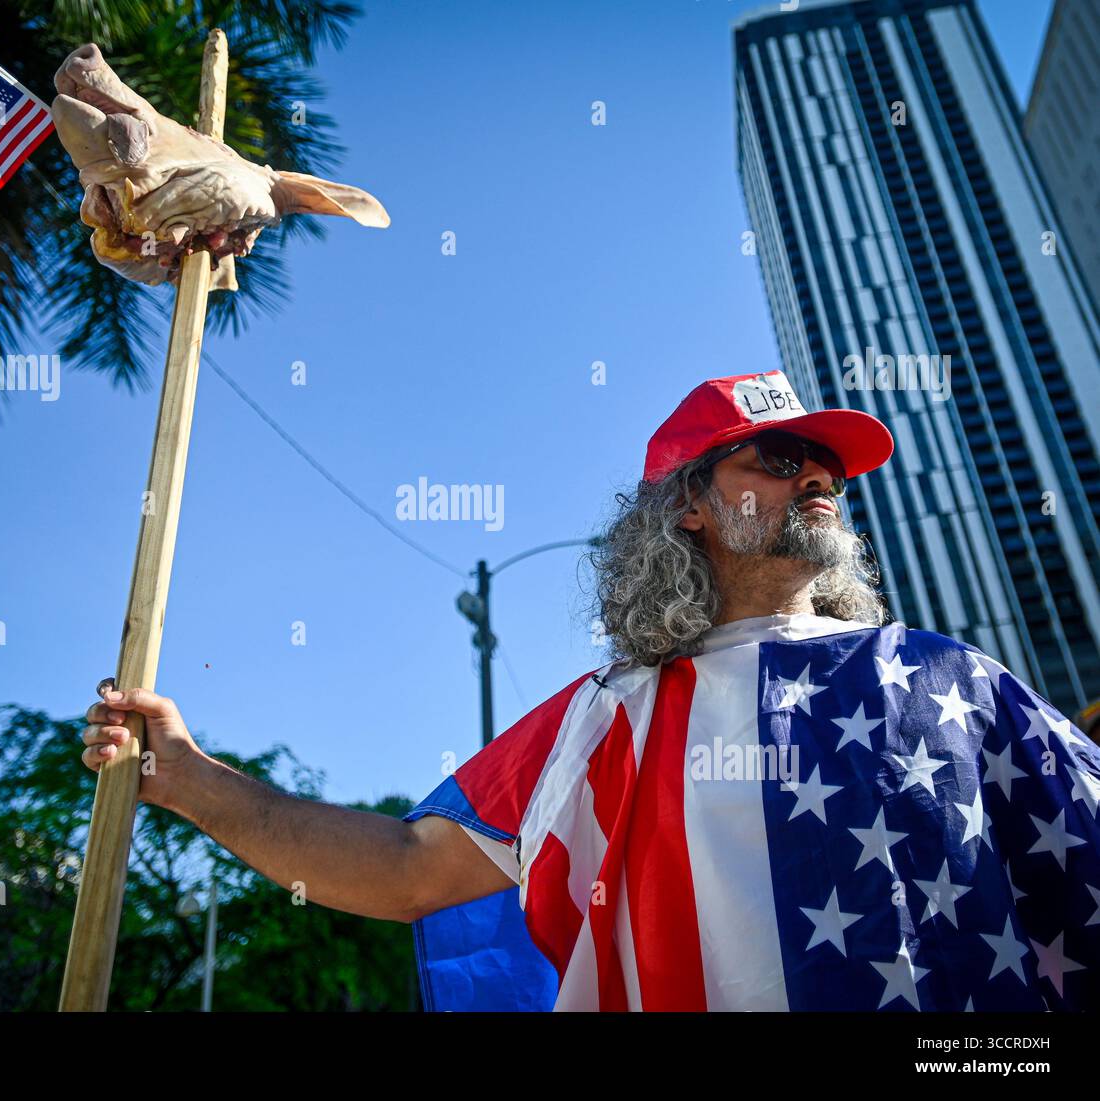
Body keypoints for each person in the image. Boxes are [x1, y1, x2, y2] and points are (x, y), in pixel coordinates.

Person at [81, 369, 1100, 1011]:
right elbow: (402, 870)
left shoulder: (951, 676)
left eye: (829, 465)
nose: (819, 479)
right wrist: (189, 779)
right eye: (783, 457)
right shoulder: (606, 715)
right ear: (690, 505)